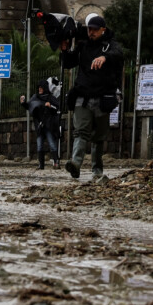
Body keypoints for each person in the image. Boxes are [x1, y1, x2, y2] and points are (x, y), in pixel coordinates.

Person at [58, 12, 124, 181]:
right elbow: (68, 63)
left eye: (95, 29)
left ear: (103, 29)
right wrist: (64, 50)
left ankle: (97, 170)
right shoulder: (83, 46)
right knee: (80, 132)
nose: (91, 32)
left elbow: (119, 54)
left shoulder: (110, 45)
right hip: (82, 96)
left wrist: (104, 57)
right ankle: (75, 163)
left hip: (103, 98)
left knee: (98, 137)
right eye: (89, 29)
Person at [25, 82, 61, 169]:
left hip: (48, 124)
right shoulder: (35, 97)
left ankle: (56, 162)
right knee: (39, 145)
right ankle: (41, 164)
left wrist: (50, 106)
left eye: (41, 88)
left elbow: (57, 108)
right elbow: (29, 106)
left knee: (52, 144)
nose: (40, 89)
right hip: (39, 125)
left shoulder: (50, 97)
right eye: (39, 88)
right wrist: (23, 102)